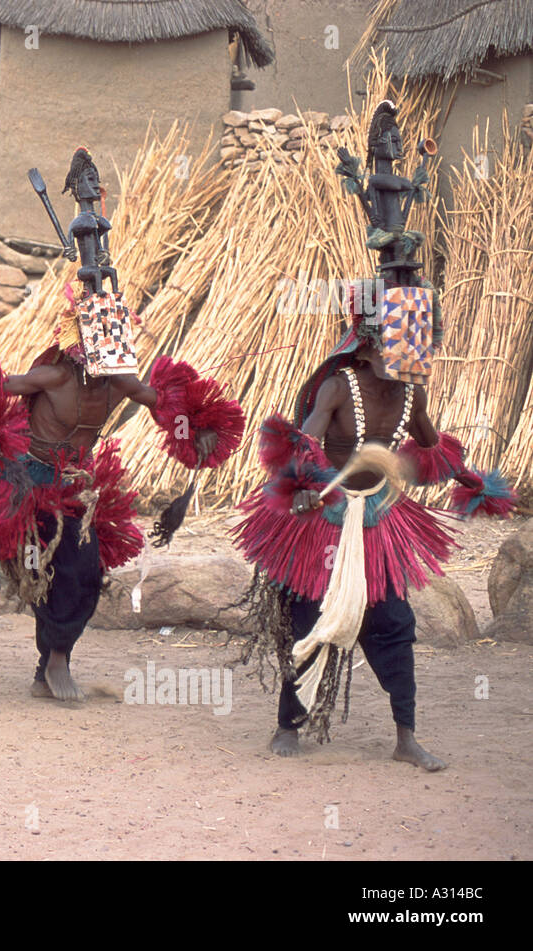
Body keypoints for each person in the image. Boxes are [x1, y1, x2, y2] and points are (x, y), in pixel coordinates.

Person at [235, 105, 515, 765]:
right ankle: (288, 725)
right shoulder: (340, 387)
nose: (405, 356)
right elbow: (303, 442)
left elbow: (429, 445)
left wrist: (469, 478)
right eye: (394, 342)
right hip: (325, 521)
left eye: (411, 345)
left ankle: (407, 736)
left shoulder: (411, 390)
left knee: (393, 624)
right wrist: (299, 487)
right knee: (309, 619)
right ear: (367, 342)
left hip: (378, 523)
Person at [0, 149, 245, 701]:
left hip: (79, 488)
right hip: (28, 483)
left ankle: (52, 664)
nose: (113, 352)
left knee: (82, 574)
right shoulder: (51, 375)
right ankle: (52, 666)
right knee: (53, 576)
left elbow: (162, 405)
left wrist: (196, 431)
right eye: (103, 342)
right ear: (81, 342)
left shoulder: (120, 381)